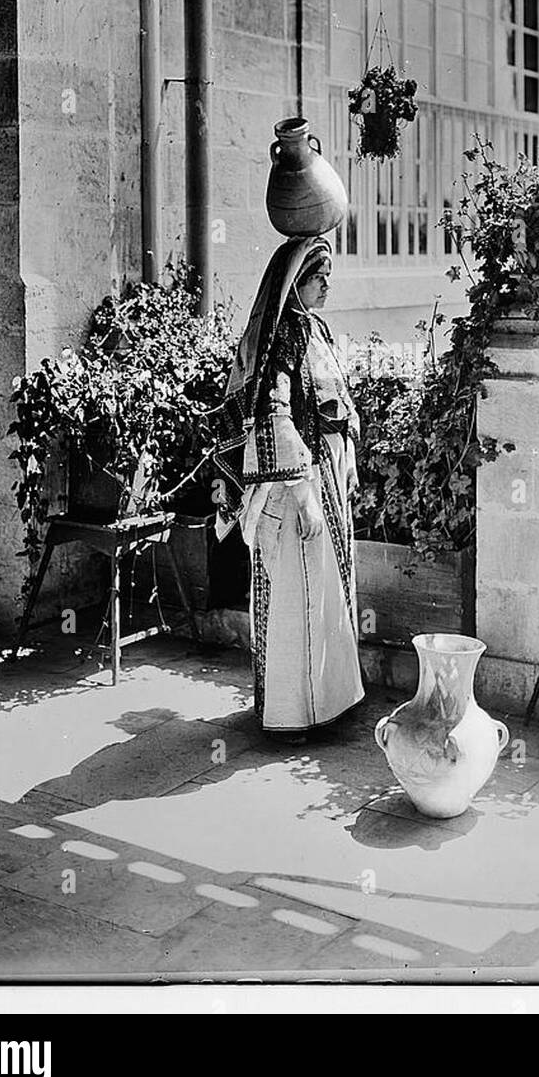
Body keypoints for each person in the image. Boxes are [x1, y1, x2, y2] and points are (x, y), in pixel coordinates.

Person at [209, 235, 365, 740]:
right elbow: (272, 413)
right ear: (294, 283)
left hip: (327, 480)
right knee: (297, 596)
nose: (327, 283)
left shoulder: (317, 330)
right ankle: (289, 716)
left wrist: (347, 467)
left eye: (328, 274)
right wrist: (301, 488)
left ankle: (329, 704)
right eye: (318, 275)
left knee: (327, 592)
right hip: (296, 488)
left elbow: (338, 404)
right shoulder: (284, 337)